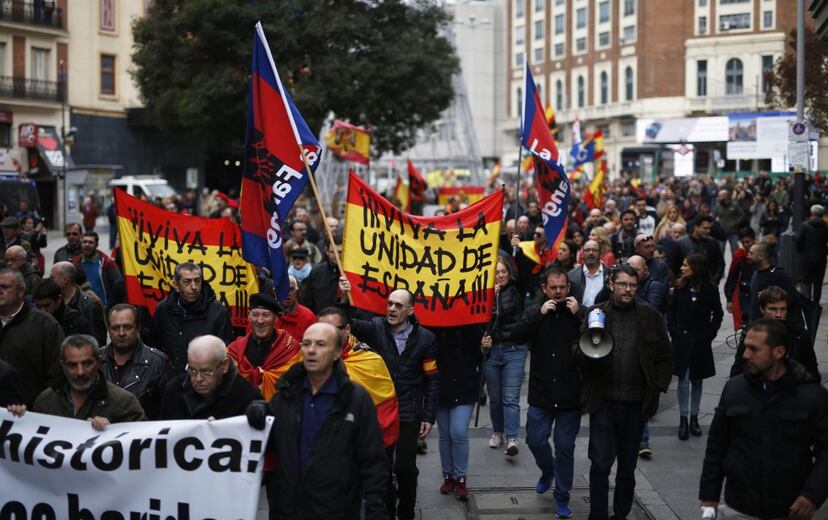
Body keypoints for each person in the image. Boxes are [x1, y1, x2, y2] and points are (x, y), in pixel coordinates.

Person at [246, 323, 388, 520]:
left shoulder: (355, 399)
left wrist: (376, 510)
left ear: (337, 352)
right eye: (306, 344)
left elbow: (373, 461)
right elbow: (267, 446)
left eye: (321, 344)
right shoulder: (285, 395)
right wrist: (258, 415)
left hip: (336, 511)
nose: (312, 350)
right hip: (288, 510)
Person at [699, 319, 828, 520]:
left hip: (789, 508)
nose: (745, 354)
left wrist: (812, 495)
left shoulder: (811, 396)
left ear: (778, 352)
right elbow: (717, 445)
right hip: (740, 507)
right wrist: (709, 496)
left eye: (753, 349)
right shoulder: (734, 389)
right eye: (745, 347)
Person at [577, 265, 672, 520]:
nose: (628, 289)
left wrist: (657, 387)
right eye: (623, 284)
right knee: (599, 465)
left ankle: (621, 514)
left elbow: (665, 355)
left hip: (635, 405)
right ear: (611, 285)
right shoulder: (597, 314)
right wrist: (589, 354)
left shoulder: (650, 316)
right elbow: (578, 350)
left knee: (627, 469)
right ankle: (597, 515)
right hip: (604, 403)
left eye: (632, 285)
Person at [338, 279, 438, 520]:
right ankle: (385, 512)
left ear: (410, 310)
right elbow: (345, 323)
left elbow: (432, 379)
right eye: (390, 304)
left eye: (398, 305)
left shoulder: (426, 339)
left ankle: (406, 512)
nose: (392, 309)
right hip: (380, 411)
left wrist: (429, 415)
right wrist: (344, 296)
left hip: (408, 411)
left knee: (404, 468)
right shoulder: (375, 327)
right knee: (380, 469)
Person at [512, 267, 582, 519]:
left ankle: (562, 496)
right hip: (541, 393)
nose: (558, 292)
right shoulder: (537, 311)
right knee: (535, 440)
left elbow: (595, 341)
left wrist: (580, 316)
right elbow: (517, 336)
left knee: (565, 447)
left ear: (568, 288)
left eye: (562, 287)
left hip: (569, 394)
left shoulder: (577, 312)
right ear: (544, 288)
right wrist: (536, 315)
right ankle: (548, 470)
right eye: (553, 287)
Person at [6, 334, 146, 428]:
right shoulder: (45, 402)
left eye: (87, 364)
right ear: (63, 365)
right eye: (72, 365)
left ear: (98, 362)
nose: (80, 372)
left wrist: (113, 432)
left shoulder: (124, 403)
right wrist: (17, 420)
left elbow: (142, 447)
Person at [667, 254, 723, 440]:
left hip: (700, 341)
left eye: (685, 265)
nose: (682, 268)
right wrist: (673, 330)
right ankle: (683, 419)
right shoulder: (680, 287)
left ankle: (694, 418)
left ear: (695, 267)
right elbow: (672, 311)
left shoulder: (710, 289)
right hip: (682, 341)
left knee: (697, 379)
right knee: (683, 380)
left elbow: (718, 313)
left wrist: (710, 334)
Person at [147, 262, 233, 372]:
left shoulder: (217, 311)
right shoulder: (163, 309)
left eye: (197, 281)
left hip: (204, 380)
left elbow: (226, 351)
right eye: (187, 282)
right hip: (169, 381)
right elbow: (155, 348)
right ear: (176, 285)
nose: (194, 287)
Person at [481, 256, 526, 456]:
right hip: (493, 351)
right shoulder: (484, 295)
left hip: (514, 349)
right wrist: (492, 298)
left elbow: (526, 269)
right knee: (496, 397)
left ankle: (512, 438)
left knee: (510, 398)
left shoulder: (516, 290)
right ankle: (497, 431)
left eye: (503, 271)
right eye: (496, 272)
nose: (500, 275)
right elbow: (484, 322)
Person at [0, 269, 64, 407]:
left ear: (21, 291)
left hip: (30, 414)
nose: (0, 291)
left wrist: (43, 406)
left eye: (5, 287)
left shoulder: (45, 324)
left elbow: (57, 372)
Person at [433, 324, 483, 501]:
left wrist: (484, 347)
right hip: (441, 385)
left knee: (459, 432)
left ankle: (460, 478)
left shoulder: (471, 325)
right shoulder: (435, 326)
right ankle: (448, 475)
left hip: (465, 385)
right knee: (445, 434)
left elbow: (479, 358)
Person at [158, 335, 261, 420]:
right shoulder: (173, 390)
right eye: (192, 370)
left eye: (206, 372)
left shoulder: (247, 396)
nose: (198, 379)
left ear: (224, 366)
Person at [99, 304, 173, 420]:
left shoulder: (158, 363)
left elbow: (168, 410)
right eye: (115, 328)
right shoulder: (94, 361)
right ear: (108, 329)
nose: (121, 333)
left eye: (127, 327)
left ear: (138, 327)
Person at [729, 286, 819, 381]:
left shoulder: (799, 334)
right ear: (762, 309)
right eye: (773, 309)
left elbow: (811, 369)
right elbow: (738, 366)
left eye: (783, 309)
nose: (779, 315)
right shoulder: (751, 331)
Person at [226, 293, 300, 400]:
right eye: (255, 315)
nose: (260, 321)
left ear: (275, 318)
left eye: (266, 315)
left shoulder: (290, 349)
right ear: (248, 316)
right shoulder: (233, 351)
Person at [50, 261, 107, 347]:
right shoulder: (54, 301)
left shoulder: (90, 305)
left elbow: (98, 341)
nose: (49, 281)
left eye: (52, 278)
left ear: (65, 280)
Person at [747, 241, 802, 329]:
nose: (748, 256)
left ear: (760, 256)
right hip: (758, 327)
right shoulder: (755, 274)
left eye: (751, 253)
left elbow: (795, 299)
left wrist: (770, 294)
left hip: (775, 330)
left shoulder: (778, 274)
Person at [673, 214, 725, 284]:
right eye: (705, 228)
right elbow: (674, 265)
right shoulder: (680, 243)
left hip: (708, 287)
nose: (708, 231)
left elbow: (720, 264)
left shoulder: (713, 243)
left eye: (709, 228)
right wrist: (682, 279)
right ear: (696, 227)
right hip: (687, 286)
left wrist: (715, 280)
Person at [76, 231, 123, 307]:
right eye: (85, 242)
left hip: (102, 308)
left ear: (96, 245)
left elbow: (119, 284)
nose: (87, 245)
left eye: (91, 242)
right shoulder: (75, 262)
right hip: (81, 307)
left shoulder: (107, 262)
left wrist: (110, 305)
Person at [300, 236, 344, 314]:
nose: (337, 256)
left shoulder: (351, 274)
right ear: (326, 251)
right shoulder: (316, 272)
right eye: (333, 252)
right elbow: (307, 301)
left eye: (340, 252)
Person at [724, 227, 756, 329]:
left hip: (759, 291)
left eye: (748, 241)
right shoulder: (739, 255)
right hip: (745, 292)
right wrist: (729, 299)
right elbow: (732, 277)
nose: (746, 245)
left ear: (753, 239)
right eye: (743, 242)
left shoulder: (761, 252)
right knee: (747, 321)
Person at [795, 204, 828, 302]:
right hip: (821, 259)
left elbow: (798, 240)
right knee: (818, 283)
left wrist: (801, 250)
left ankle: (807, 301)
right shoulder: (826, 227)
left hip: (806, 258)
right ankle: (816, 304)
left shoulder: (804, 226)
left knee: (806, 282)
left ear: (812, 213)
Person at [275, 276, 317, 343]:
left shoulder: (308, 317)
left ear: (296, 292)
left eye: (291, 289)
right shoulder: (268, 316)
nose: (287, 293)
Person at [568, 240, 608, 307]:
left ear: (600, 253)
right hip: (579, 316)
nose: (591, 253)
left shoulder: (609, 274)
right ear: (582, 253)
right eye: (587, 250)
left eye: (594, 250)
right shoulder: (571, 275)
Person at [714, 189, 748, 256]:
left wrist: (735, 224)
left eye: (720, 196)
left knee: (735, 252)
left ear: (725, 196)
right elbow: (714, 217)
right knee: (720, 252)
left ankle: (736, 266)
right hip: (721, 233)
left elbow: (742, 216)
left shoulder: (734, 205)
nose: (719, 198)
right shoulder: (718, 206)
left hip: (733, 232)